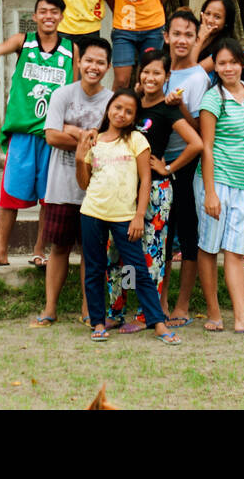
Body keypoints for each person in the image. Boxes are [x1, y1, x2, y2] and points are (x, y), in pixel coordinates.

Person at [0, 0, 74, 269]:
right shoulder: (23, 42)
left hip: (53, 134)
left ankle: (39, 251)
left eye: (54, 12)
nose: (49, 16)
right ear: (34, 17)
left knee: (50, 196)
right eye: (43, 11)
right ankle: (0, 251)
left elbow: (79, 85)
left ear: (61, 17)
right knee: (10, 193)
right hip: (23, 131)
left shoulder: (71, 49)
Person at [106, 49, 203, 331]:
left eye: (157, 73)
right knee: (121, 252)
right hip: (125, 189)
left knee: (152, 255)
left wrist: (168, 168)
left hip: (157, 193)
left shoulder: (168, 108)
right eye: (146, 72)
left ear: (167, 76)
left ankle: (146, 313)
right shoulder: (132, 104)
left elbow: (196, 143)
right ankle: (117, 310)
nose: (150, 77)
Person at [76, 90, 181, 344]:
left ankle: (157, 323)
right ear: (109, 108)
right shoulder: (94, 140)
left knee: (138, 269)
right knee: (94, 268)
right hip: (92, 212)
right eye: (118, 107)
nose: (121, 114)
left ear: (134, 117)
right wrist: (81, 158)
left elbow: (146, 180)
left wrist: (138, 216)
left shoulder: (136, 139)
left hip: (125, 216)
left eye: (128, 111)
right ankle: (99, 322)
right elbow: (84, 183)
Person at [31, 35, 113, 326]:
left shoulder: (111, 100)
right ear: (78, 63)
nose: (93, 67)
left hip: (96, 190)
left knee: (92, 253)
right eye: (88, 60)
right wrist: (84, 136)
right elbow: (51, 135)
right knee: (59, 249)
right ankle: (49, 308)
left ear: (108, 67)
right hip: (61, 187)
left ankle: (89, 310)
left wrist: (71, 130)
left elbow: (108, 143)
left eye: (100, 62)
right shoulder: (62, 95)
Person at [195, 38, 244, 333]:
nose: (228, 68)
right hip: (216, 182)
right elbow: (207, 147)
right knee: (209, 246)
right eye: (222, 63)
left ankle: (242, 316)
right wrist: (210, 192)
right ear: (215, 67)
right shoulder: (212, 99)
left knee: (236, 250)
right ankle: (215, 314)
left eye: (233, 62)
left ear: (243, 64)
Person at [160, 8, 211, 325]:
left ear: (196, 39)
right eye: (176, 33)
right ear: (166, 36)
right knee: (161, 236)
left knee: (188, 235)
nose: (181, 40)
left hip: (186, 167)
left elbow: (203, 134)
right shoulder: (157, 69)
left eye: (188, 35)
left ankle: (182, 304)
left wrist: (179, 109)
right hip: (155, 165)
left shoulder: (198, 78)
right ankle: (160, 299)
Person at [193, 0, 237, 65]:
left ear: (226, 22)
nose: (210, 20)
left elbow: (190, 71)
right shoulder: (190, 34)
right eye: (207, 14)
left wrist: (201, 38)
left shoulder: (225, 47)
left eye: (217, 17)